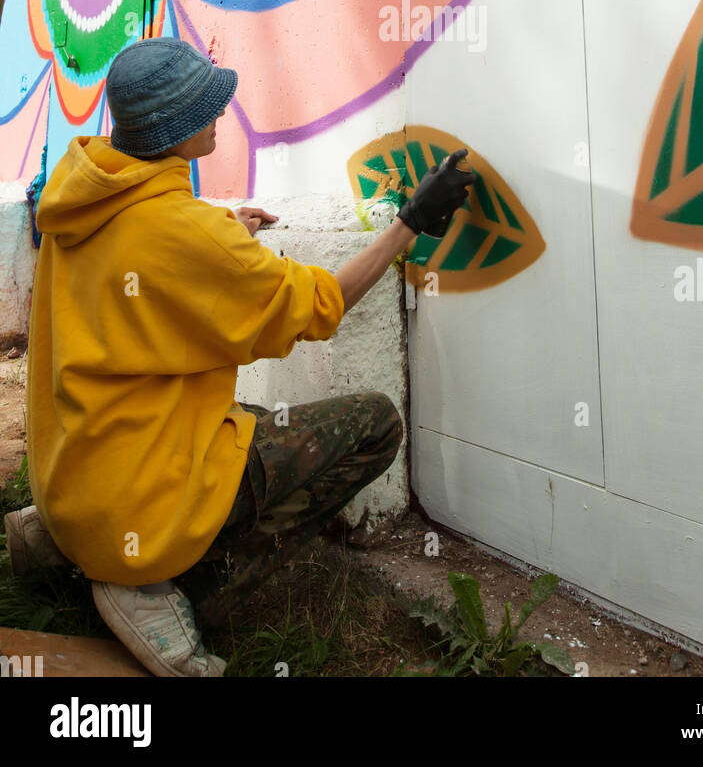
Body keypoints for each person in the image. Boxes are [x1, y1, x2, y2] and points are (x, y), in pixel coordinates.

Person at [5, 36, 475, 677]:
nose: (222, 113)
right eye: (209, 106)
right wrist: (411, 220)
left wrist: (221, 228)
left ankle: (69, 543)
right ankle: (164, 586)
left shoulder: (82, 195)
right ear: (179, 127)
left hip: (77, 479)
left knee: (250, 419)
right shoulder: (189, 236)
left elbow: (151, 238)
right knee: (373, 423)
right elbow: (321, 305)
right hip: (139, 508)